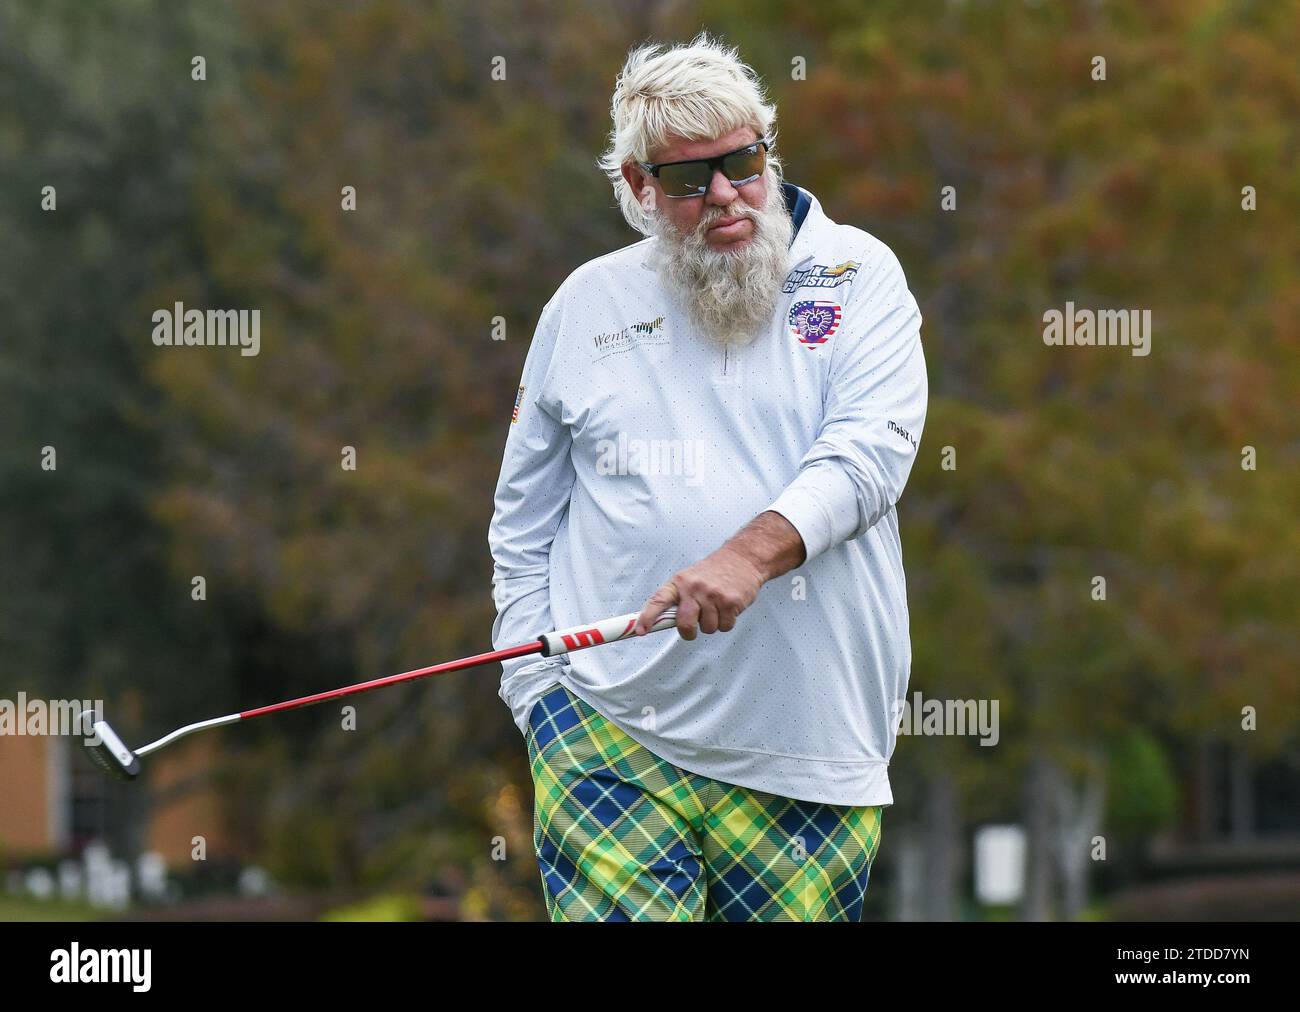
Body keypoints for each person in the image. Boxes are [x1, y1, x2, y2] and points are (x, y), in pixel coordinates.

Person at [488, 32, 927, 921]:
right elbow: (523, 522)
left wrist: (748, 556)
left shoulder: (859, 276)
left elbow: (869, 454)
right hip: (604, 731)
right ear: (639, 187)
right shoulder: (582, 306)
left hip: (809, 747)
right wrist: (536, 696)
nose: (726, 196)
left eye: (743, 162)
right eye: (690, 179)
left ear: (768, 149)